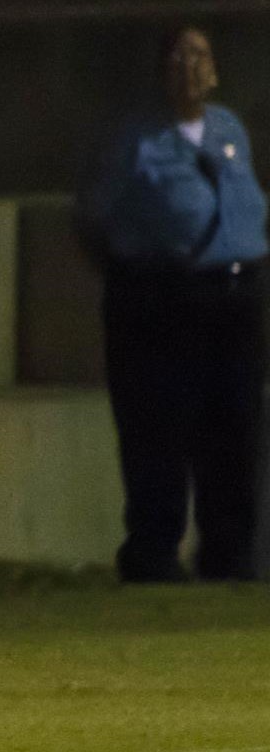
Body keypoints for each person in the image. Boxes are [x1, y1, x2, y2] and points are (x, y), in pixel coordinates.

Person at [78, 25, 269, 583]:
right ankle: (154, 553)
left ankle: (229, 556)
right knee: (159, 428)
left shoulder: (229, 129)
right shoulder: (136, 140)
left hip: (234, 296)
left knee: (235, 427)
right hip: (164, 296)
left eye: (201, 55)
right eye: (179, 56)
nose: (191, 66)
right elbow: (92, 218)